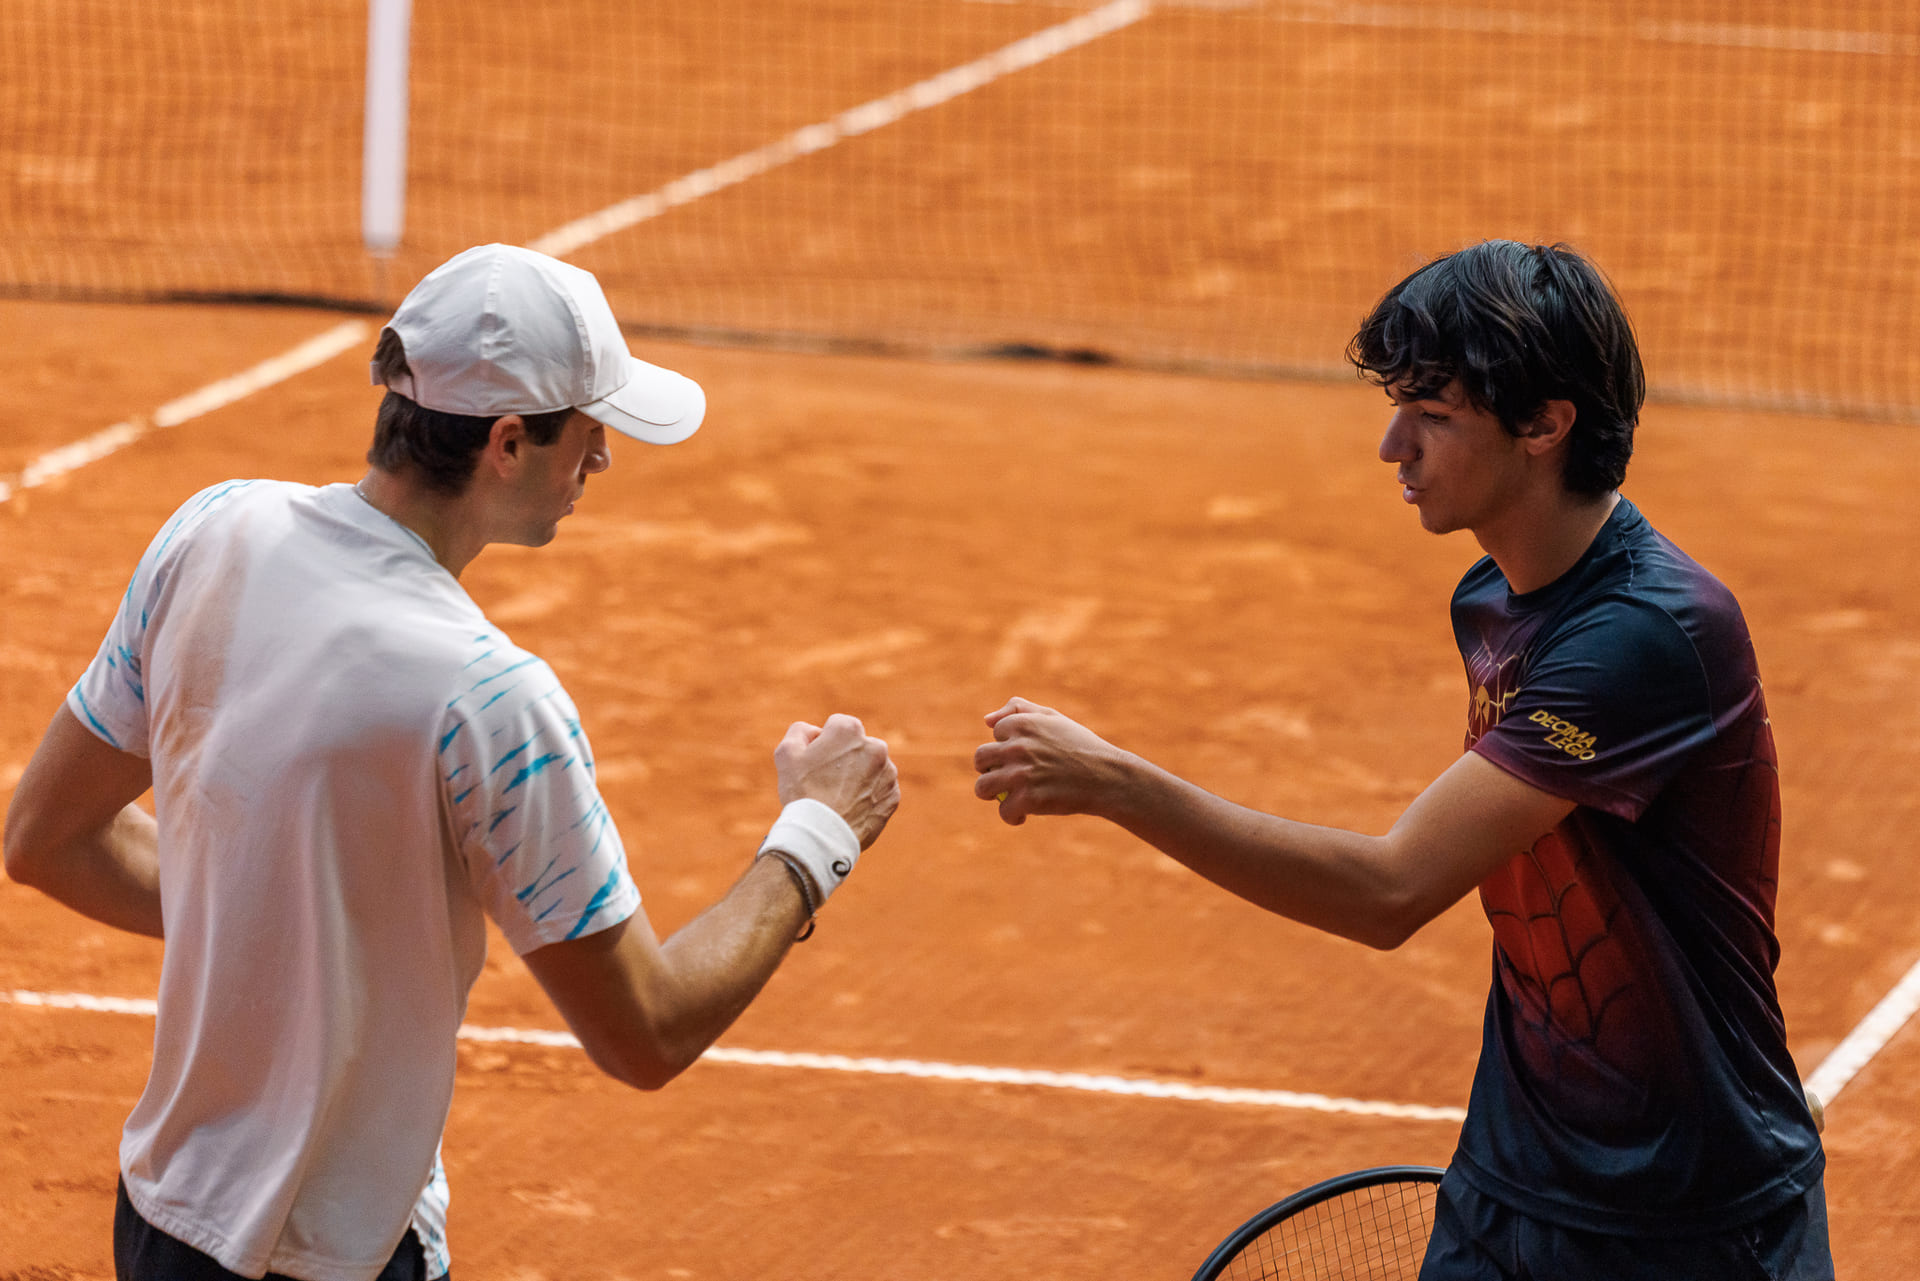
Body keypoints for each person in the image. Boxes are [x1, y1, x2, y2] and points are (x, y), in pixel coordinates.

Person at [3, 243, 900, 1281]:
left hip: (160, 1224)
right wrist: (816, 834)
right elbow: (646, 1030)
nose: (603, 460)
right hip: (345, 1257)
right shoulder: (491, 697)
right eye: (589, 431)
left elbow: (43, 840)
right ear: (508, 444)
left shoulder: (209, 533)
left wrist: (277, 921)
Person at [973, 240, 1831, 1278]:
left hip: (1692, 1217)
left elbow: (1391, 890)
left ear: (1545, 425)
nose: (1392, 445)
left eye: (1431, 413)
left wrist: (1115, 783)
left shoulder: (1649, 635)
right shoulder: (1493, 597)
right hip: (1515, 1171)